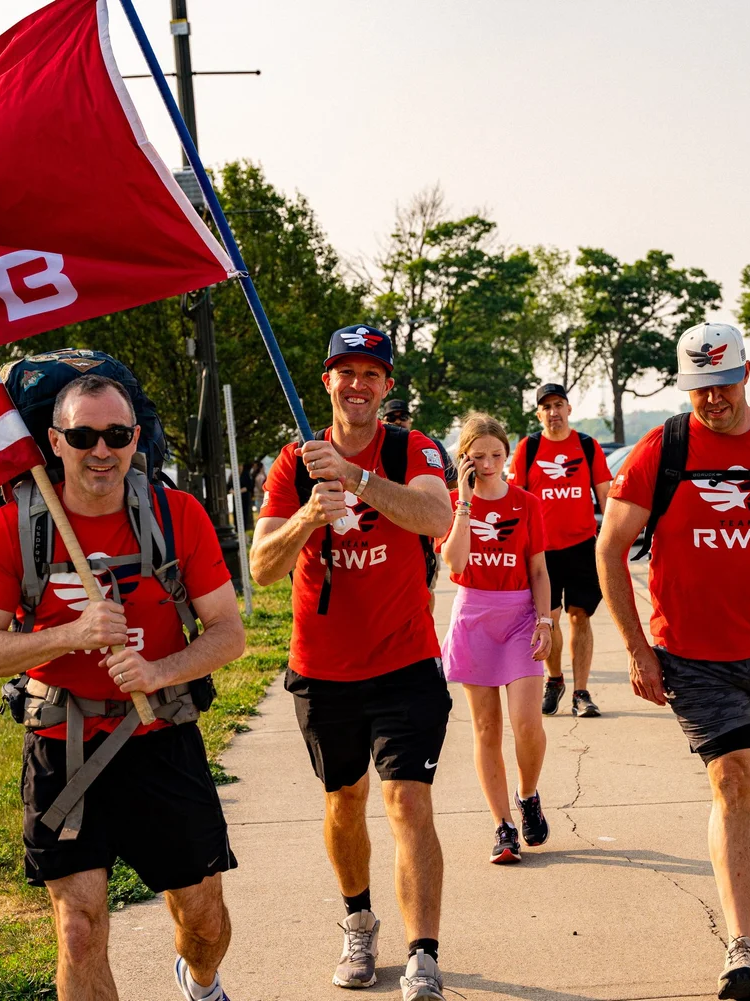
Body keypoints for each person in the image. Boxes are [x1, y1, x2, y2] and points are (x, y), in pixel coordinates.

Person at [0, 375, 246, 1001]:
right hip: (64, 746)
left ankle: (201, 982)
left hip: (161, 739)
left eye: (116, 435)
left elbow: (228, 633)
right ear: (55, 442)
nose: (101, 451)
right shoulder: (16, 528)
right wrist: (69, 634)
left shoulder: (177, 516)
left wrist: (161, 672)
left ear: (134, 438)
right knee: (80, 929)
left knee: (203, 915)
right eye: (83, 436)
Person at [596, 323, 750, 1001]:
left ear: (747, 373)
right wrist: (638, 648)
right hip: (692, 655)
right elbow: (610, 549)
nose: (712, 399)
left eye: (722, 383)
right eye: (698, 386)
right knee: (733, 779)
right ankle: (741, 947)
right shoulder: (661, 449)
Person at [251, 325, 455, 1001]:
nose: (359, 384)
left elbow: (435, 516)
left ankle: (423, 952)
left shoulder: (410, 447)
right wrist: (310, 514)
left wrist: (360, 479)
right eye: (347, 372)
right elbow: (261, 568)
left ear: (387, 385)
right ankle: (359, 921)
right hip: (324, 668)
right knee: (345, 801)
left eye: (372, 373)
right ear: (326, 381)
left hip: (403, 660)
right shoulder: (292, 463)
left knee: (407, 800)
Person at [439, 411, 554, 864]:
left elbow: (540, 570)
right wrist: (465, 502)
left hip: (520, 617)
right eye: (478, 456)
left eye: (497, 455)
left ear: (507, 454)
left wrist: (545, 621)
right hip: (474, 616)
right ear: (464, 458)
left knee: (527, 723)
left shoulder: (526, 502)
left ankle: (528, 794)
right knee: (487, 728)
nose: (488, 464)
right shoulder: (451, 503)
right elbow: (456, 562)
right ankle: (503, 826)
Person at [509, 383, 612, 717]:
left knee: (579, 616)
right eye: (546, 407)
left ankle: (581, 693)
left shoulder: (586, 445)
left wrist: (613, 542)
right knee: (548, 620)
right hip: (542, 552)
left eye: (558, 405)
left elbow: (606, 496)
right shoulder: (529, 447)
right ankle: (555, 680)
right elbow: (516, 498)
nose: (553, 413)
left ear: (569, 409)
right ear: (539, 413)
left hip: (582, 546)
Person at [384, 397, 458, 614]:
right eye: (391, 417)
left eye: (403, 417)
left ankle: (426, 635)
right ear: (382, 419)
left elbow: (452, 483)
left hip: (422, 533)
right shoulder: (375, 448)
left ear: (411, 420)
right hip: (386, 532)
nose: (398, 421)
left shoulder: (429, 446)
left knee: (425, 590)